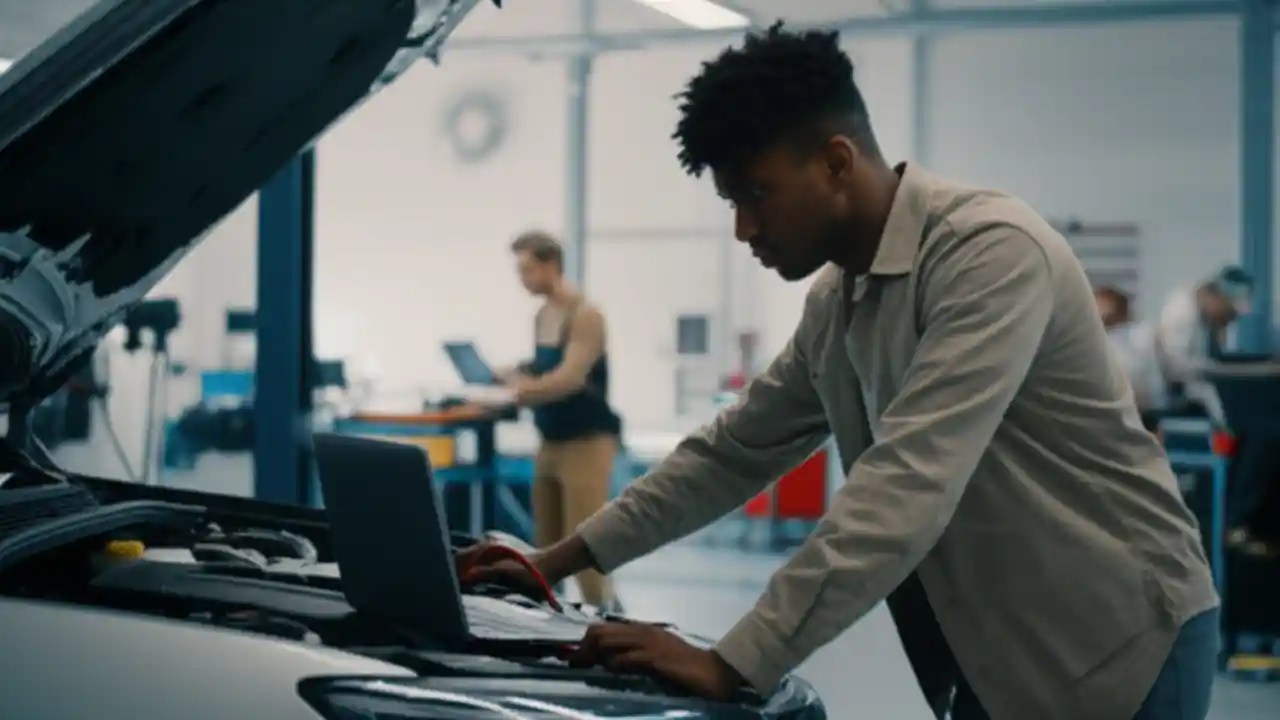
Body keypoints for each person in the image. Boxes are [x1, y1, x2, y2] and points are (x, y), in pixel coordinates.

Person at [461, 24, 1218, 719]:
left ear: (834, 162)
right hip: (997, 646)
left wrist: (734, 663)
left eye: (756, 195)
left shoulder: (989, 255)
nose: (743, 229)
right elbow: (733, 450)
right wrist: (549, 561)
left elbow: (907, 484)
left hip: (1119, 636)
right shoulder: (839, 297)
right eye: (730, 202)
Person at [499, 230, 622, 609]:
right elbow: (543, 368)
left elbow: (570, 378)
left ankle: (610, 626)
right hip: (550, 440)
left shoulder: (586, 315)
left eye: (528, 269)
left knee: (586, 552)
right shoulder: (542, 315)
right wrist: (508, 374)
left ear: (551, 265)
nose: (523, 280)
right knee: (545, 551)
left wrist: (518, 392)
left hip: (587, 442)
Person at [1153, 266, 1254, 418]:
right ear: (1217, 298)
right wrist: (1219, 370)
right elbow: (1176, 367)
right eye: (1229, 314)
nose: (1228, 321)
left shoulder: (1204, 319)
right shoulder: (1181, 313)